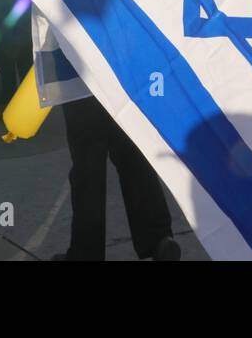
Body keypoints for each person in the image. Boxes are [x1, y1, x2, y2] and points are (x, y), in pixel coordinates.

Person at [57, 95, 181, 262]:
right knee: (134, 157)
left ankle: (86, 253)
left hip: (80, 84)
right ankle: (159, 239)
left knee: (88, 167)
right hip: (117, 78)